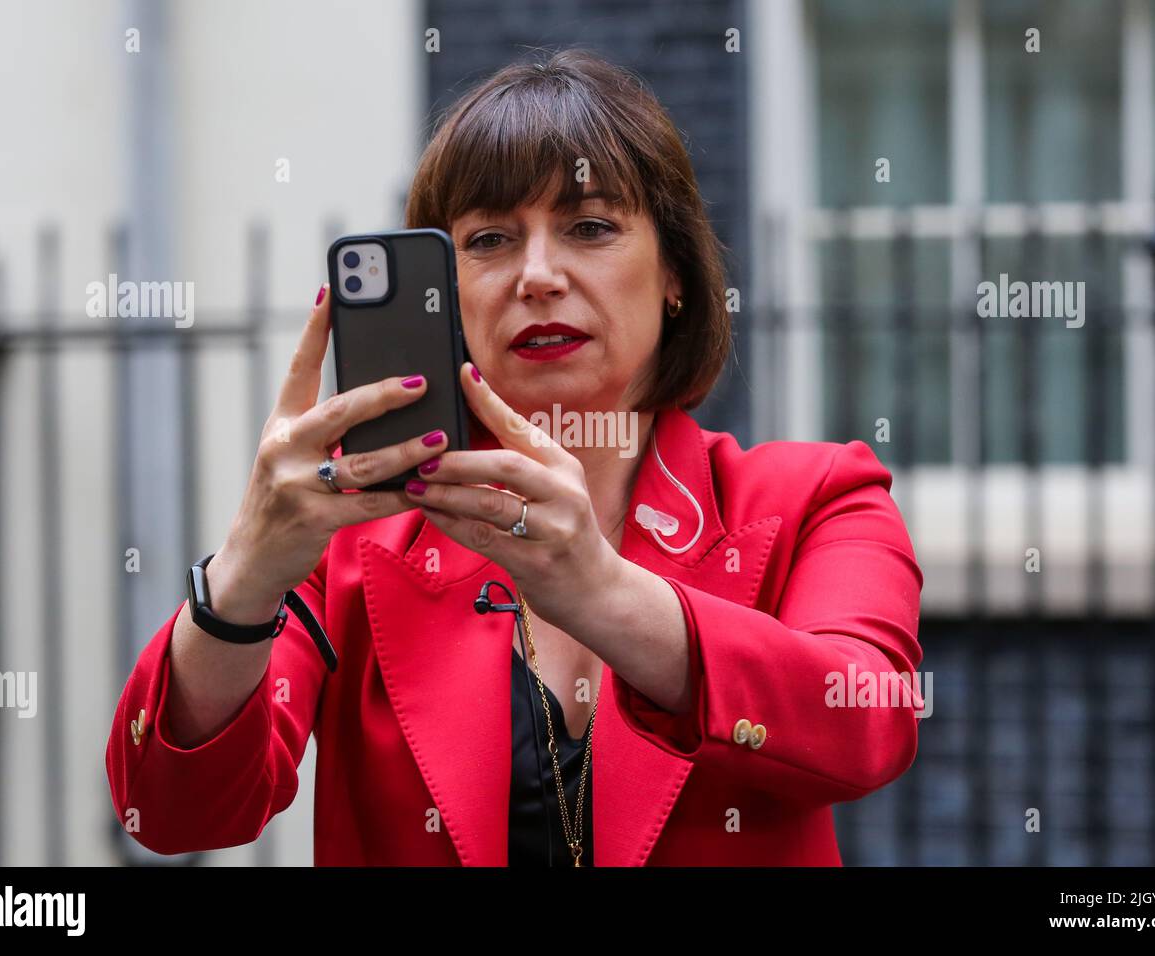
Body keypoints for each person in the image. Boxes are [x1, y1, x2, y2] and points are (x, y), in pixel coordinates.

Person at [105, 48, 923, 866]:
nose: (537, 276)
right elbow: (172, 814)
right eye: (490, 238)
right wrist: (244, 574)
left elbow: (869, 723)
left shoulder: (815, 497)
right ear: (448, 294)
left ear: (674, 272)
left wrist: (600, 590)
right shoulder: (349, 547)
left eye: (590, 227)